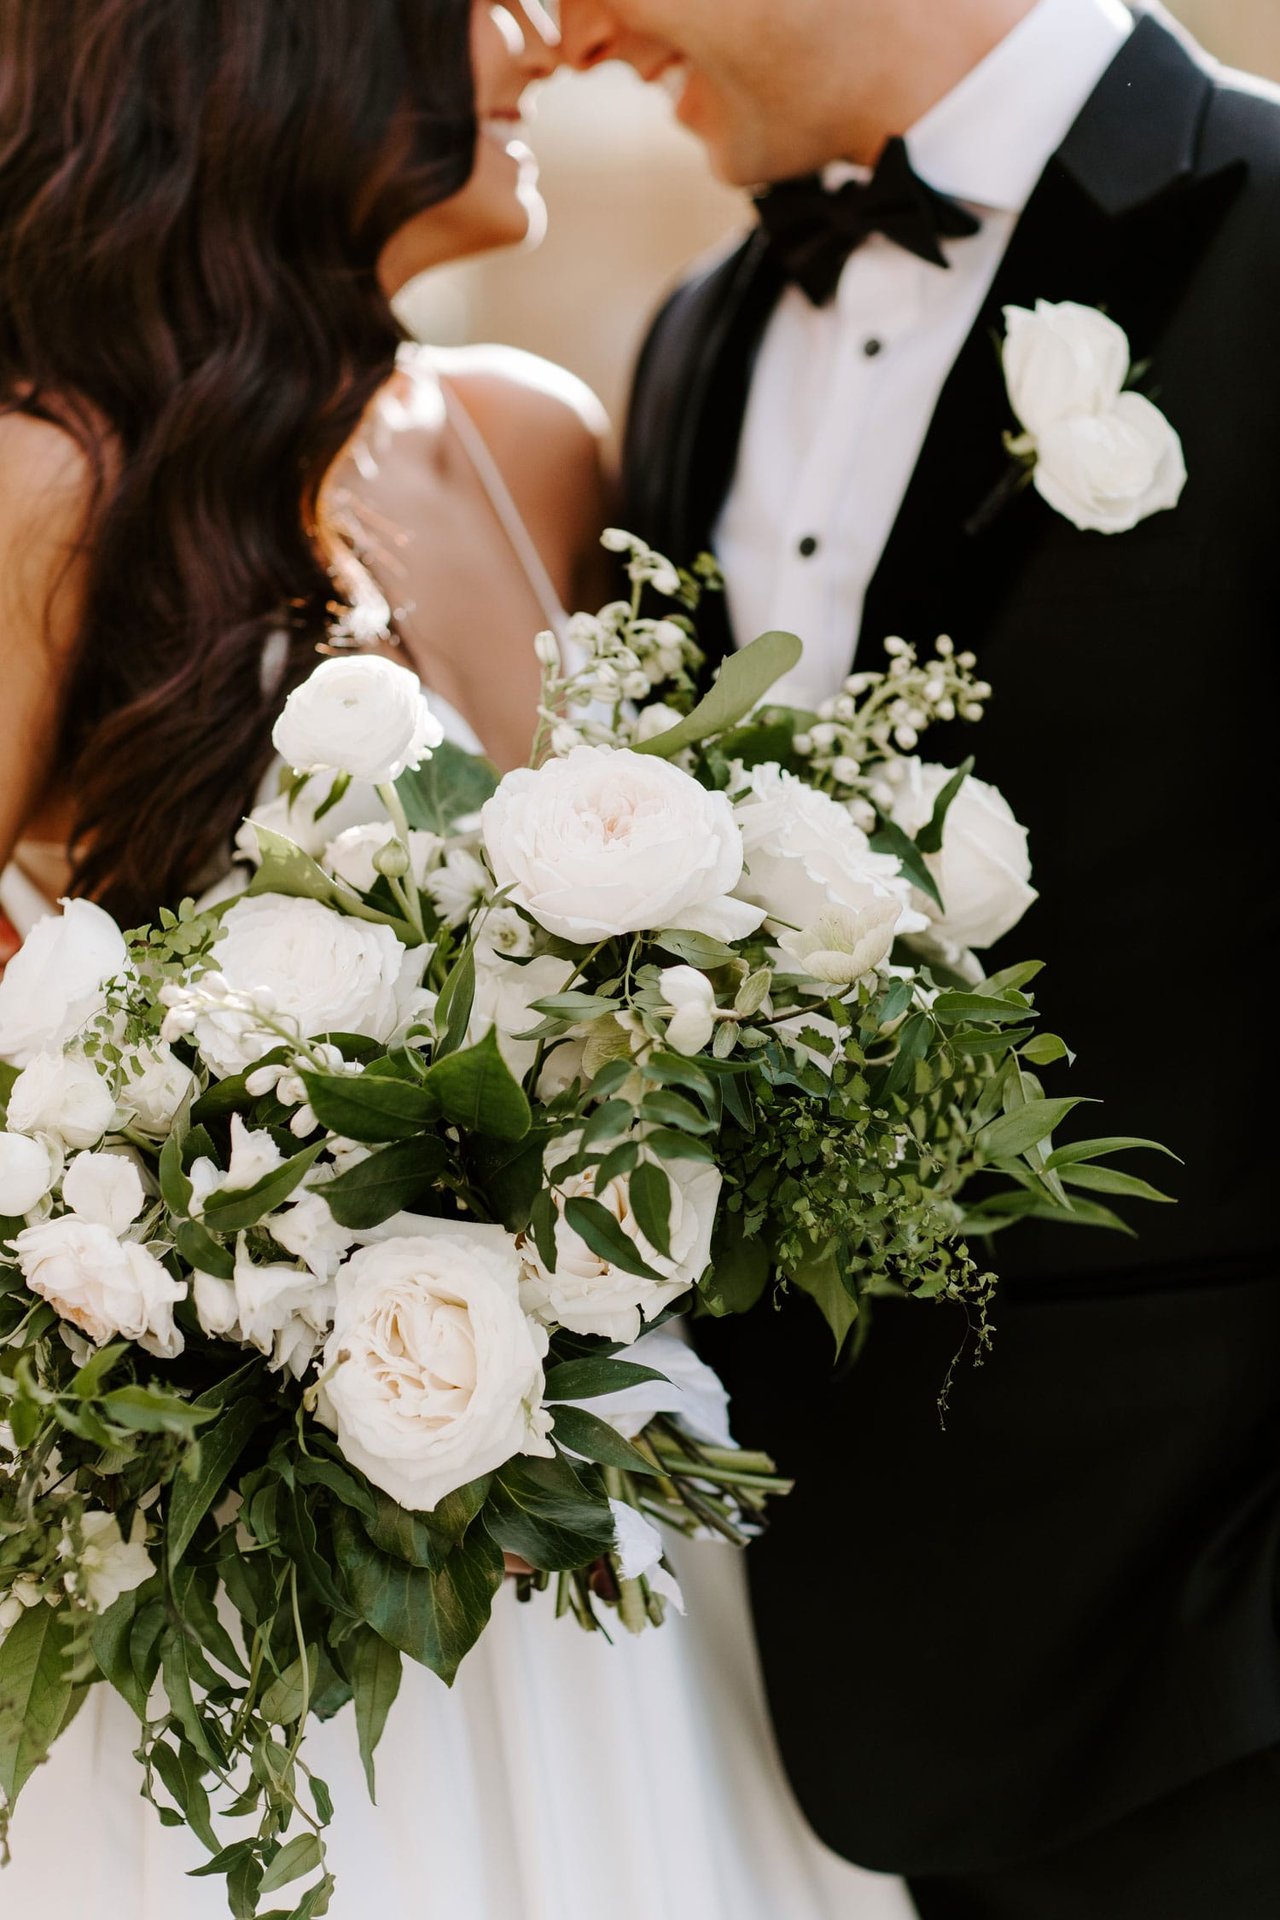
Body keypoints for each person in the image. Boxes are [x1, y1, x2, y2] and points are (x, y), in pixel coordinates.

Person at [0, 4, 914, 1916]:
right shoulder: (42, 491)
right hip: (261, 1588)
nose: (541, 32)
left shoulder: (534, 442)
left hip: (613, 1512)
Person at [560, 0, 1280, 1914]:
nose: (578, 28)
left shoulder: (1272, 230)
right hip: (756, 1705)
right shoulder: (694, 336)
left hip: (1210, 1700)